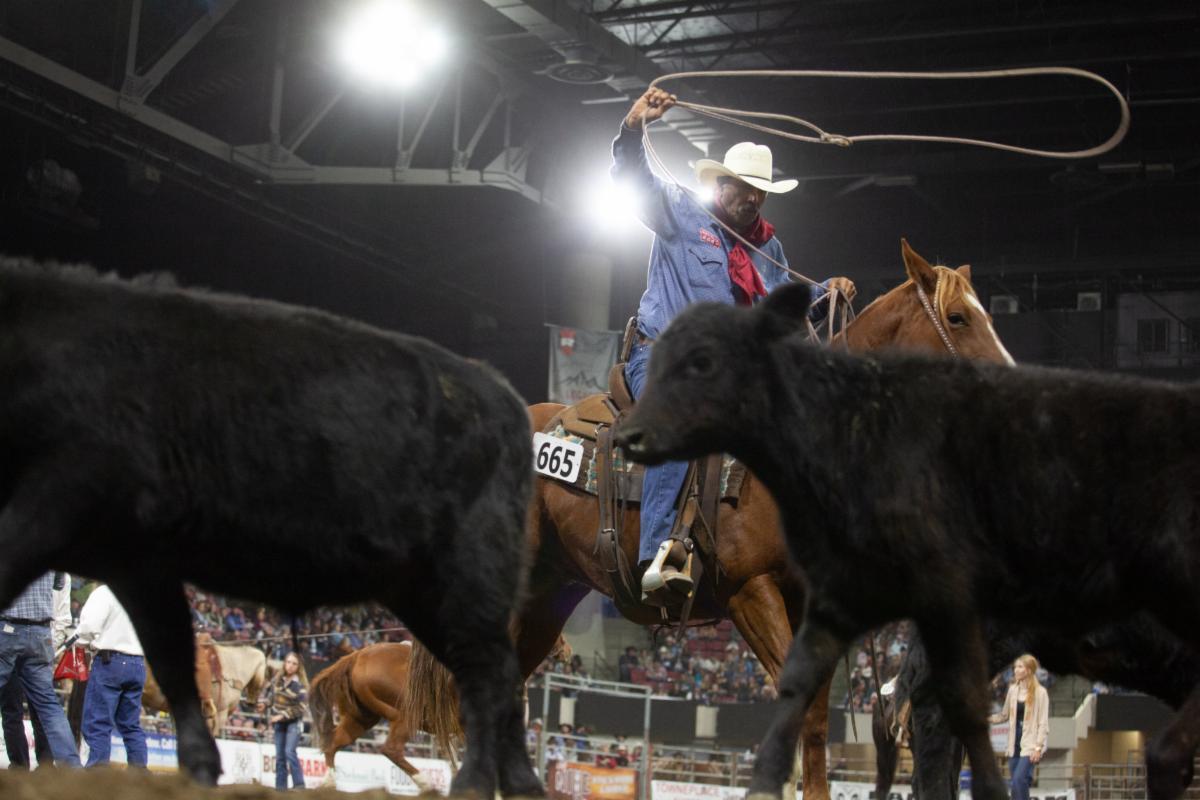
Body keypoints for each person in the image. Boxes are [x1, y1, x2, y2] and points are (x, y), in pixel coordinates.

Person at [612, 86, 857, 598]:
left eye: (760, 191)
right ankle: (658, 551)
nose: (752, 197)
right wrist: (634, 128)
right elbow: (631, 178)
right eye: (744, 186)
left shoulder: (769, 246)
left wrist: (825, 290)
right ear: (720, 183)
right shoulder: (679, 213)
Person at [0, 572, 82, 767]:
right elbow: (59, 584)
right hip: (41, 633)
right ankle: (72, 768)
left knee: (12, 708)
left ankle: (20, 765)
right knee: (48, 705)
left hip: (8, 628)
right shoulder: (49, 553)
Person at [76, 582, 148, 768]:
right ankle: (140, 776)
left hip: (111, 661)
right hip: (138, 662)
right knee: (131, 725)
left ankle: (97, 777)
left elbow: (88, 627)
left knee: (98, 723)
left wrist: (81, 642)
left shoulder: (105, 591)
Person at [989, 653, 1049, 800]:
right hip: (1013, 743)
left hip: (1031, 744)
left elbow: (1043, 723)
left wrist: (1038, 747)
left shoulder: (1041, 693)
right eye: (1015, 667)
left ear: (1028, 670)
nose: (1015, 670)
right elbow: (1004, 715)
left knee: (1019, 780)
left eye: (1020, 667)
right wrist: (985, 719)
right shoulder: (1013, 690)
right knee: (1017, 786)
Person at [258, 651, 309, 790]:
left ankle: (299, 784)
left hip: (293, 723)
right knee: (280, 755)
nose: (290, 666)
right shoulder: (277, 680)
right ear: (285, 663)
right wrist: (266, 704)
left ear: (298, 667)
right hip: (279, 723)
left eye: (294, 663)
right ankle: (281, 788)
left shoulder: (301, 685)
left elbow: (302, 707)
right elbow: (272, 697)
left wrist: (282, 715)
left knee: (289, 752)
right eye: (288, 662)